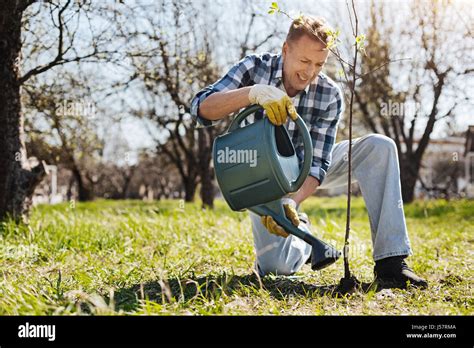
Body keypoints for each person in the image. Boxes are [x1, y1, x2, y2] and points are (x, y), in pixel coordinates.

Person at [190, 15, 427, 289]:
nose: (309, 72)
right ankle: (301, 233)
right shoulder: (254, 68)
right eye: (304, 61)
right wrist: (252, 93)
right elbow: (202, 107)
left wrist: (293, 201)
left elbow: (317, 164)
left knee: (379, 147)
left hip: (305, 170)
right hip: (263, 178)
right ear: (285, 49)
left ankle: (391, 264)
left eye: (319, 64)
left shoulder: (329, 94)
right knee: (275, 268)